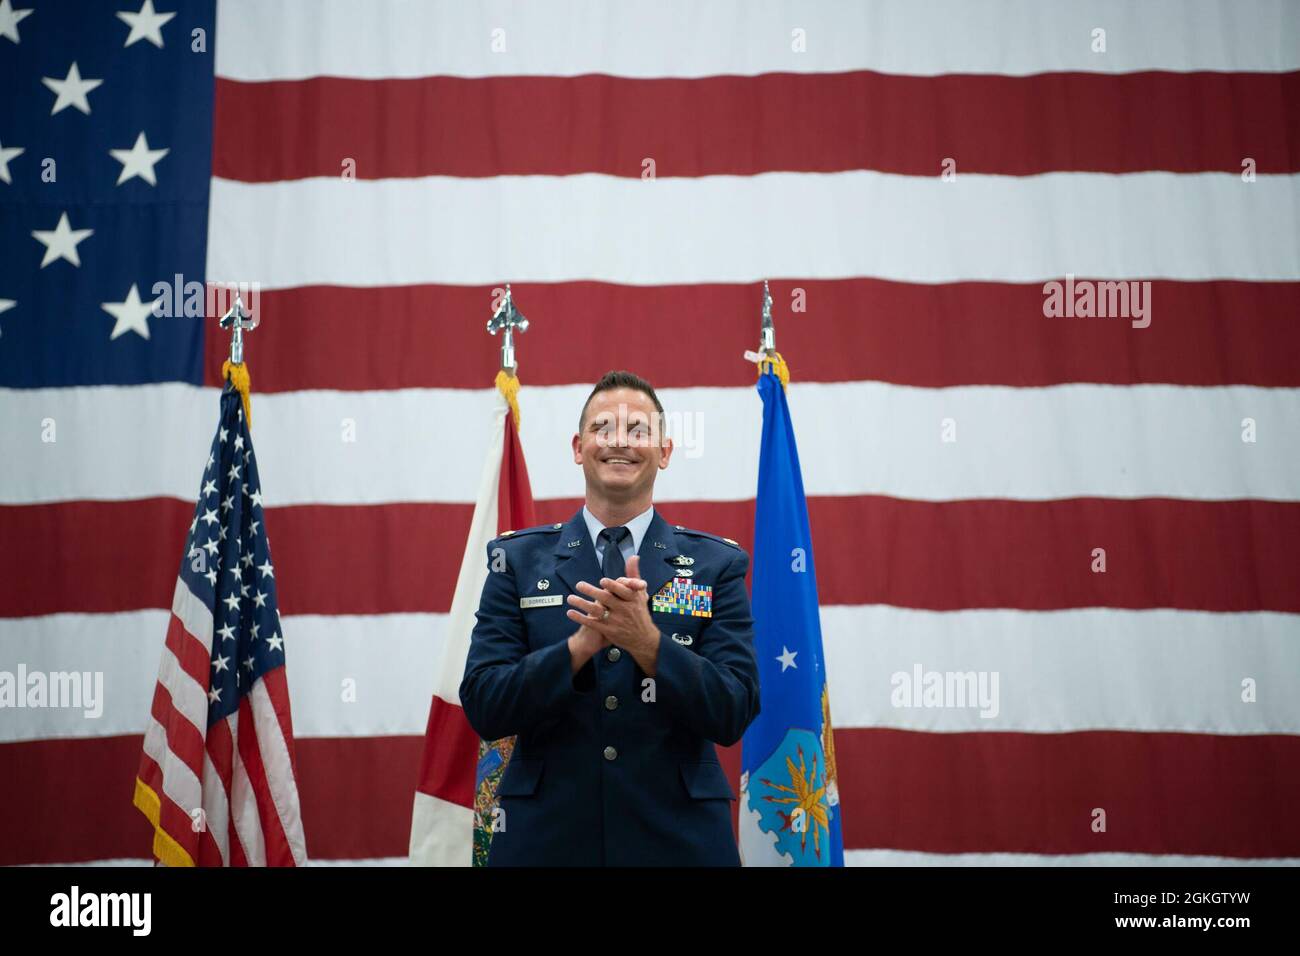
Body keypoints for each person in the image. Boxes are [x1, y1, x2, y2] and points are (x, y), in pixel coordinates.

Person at [459, 370, 761, 866]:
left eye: (638, 430)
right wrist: (577, 650)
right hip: (548, 843)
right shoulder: (515, 561)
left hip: (678, 844)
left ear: (664, 452)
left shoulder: (716, 566)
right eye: (603, 427)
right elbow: (485, 706)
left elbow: (733, 711)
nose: (619, 441)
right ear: (579, 447)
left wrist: (649, 644)